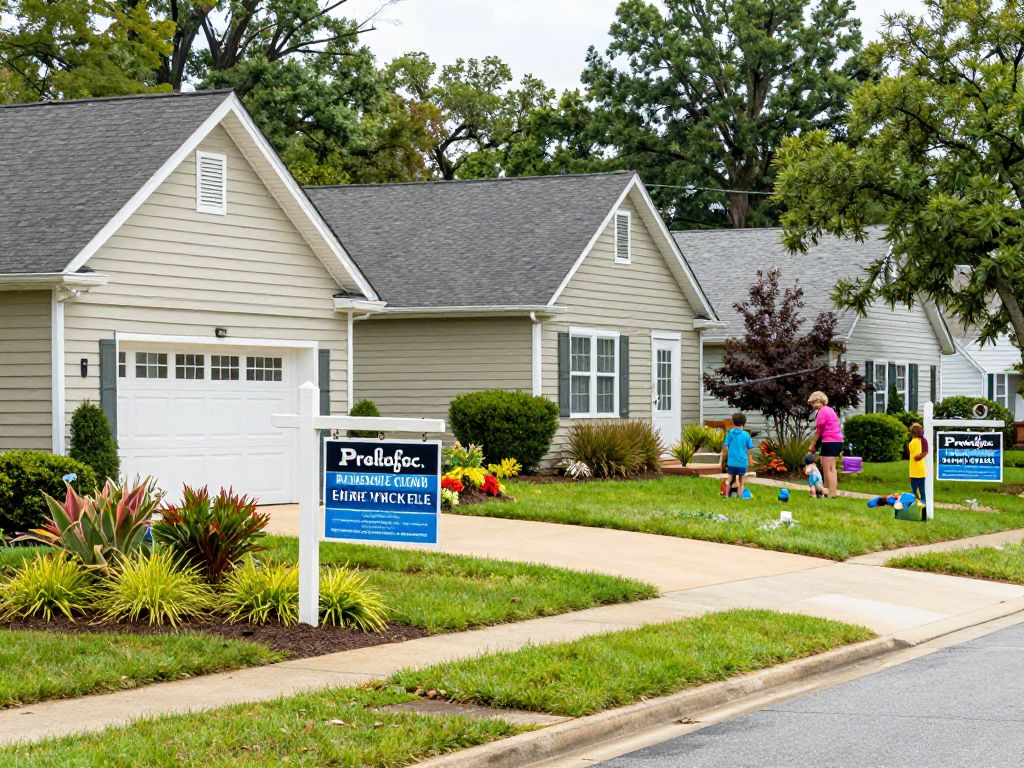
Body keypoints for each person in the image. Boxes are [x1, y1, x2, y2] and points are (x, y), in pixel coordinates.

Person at [807, 391, 843, 498]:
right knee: (830, 467)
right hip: (837, 441)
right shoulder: (831, 410)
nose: (814, 405)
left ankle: (831, 493)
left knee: (828, 468)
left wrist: (812, 444)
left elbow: (819, 431)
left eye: (814, 402)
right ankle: (830, 492)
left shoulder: (822, 411)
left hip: (830, 441)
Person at [723, 412, 755, 499]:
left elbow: (726, 446)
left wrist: (726, 457)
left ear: (733, 422)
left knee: (729, 479)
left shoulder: (729, 433)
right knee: (741, 481)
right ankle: (739, 497)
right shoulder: (746, 435)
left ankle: (726, 496)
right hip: (742, 462)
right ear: (743, 423)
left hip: (732, 462)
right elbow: (749, 449)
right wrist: (751, 460)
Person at [908, 423, 929, 504]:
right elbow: (923, 453)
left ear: (912, 433)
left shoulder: (912, 443)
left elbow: (915, 456)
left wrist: (918, 457)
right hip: (922, 470)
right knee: (922, 490)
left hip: (913, 472)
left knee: (913, 490)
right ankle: (923, 504)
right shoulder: (923, 441)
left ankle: (913, 504)